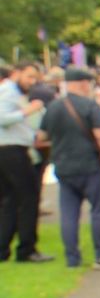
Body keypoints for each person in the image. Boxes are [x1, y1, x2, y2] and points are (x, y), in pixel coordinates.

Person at [39, 68, 100, 269]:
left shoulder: (53, 107)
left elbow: (41, 136)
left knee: (69, 213)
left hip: (63, 165)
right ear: (84, 83)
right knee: (99, 209)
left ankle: (72, 258)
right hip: (88, 165)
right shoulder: (90, 106)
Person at [0, 62, 52, 263]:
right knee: (29, 197)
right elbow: (3, 118)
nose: (32, 83)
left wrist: (31, 136)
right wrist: (30, 110)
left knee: (10, 200)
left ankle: (3, 248)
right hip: (12, 151)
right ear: (17, 73)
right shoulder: (8, 91)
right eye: (29, 77)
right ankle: (27, 249)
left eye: (35, 78)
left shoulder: (11, 91)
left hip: (11, 149)